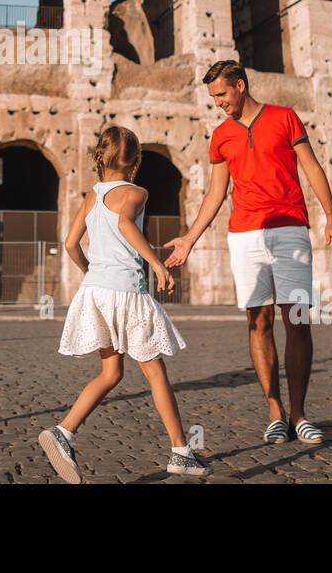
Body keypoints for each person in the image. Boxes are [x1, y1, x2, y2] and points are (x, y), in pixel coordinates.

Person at [164, 61, 332, 445]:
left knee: (297, 321)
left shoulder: (284, 118)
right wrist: (189, 239)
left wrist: (331, 217)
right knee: (258, 322)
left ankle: (299, 413)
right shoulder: (220, 136)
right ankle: (275, 411)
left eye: (222, 95)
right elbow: (216, 194)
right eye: (212, 97)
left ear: (240, 86)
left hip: (290, 229)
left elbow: (311, 168)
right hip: (244, 236)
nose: (218, 103)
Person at [38, 127, 211, 482]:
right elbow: (125, 223)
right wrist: (157, 263)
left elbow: (71, 244)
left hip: (96, 293)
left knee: (110, 373)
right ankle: (181, 452)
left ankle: (64, 431)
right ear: (136, 161)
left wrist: (90, 272)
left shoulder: (91, 196)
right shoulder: (137, 192)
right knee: (155, 372)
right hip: (127, 294)